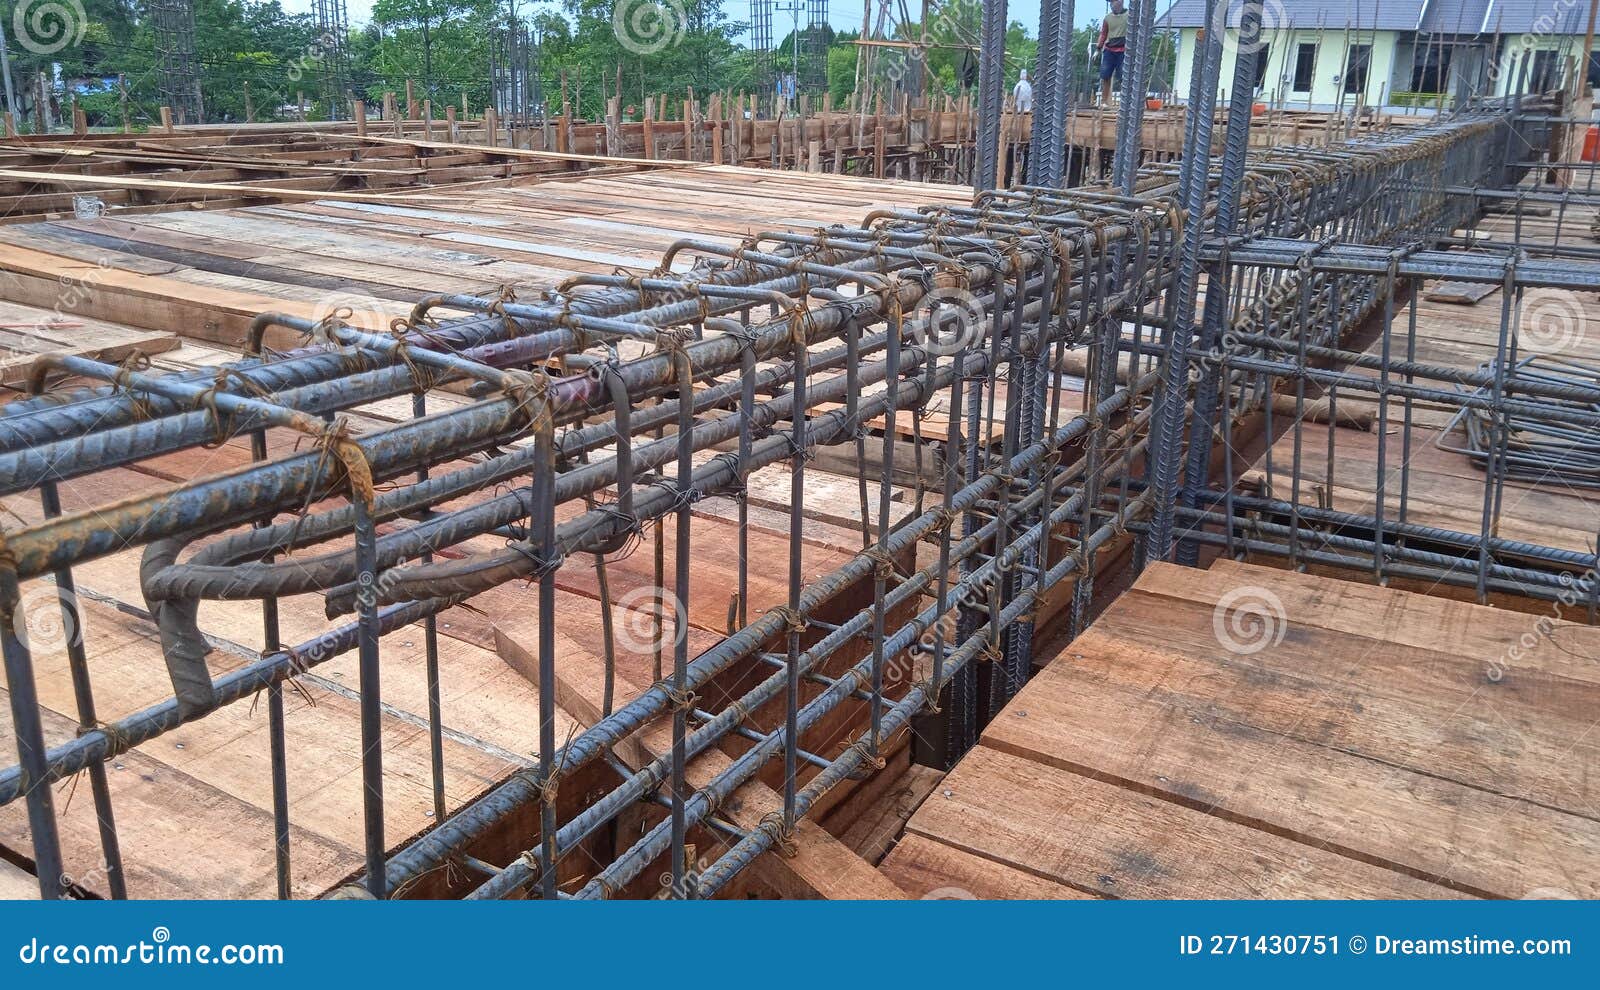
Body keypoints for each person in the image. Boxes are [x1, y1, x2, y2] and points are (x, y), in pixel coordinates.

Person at [1099, 0, 1129, 107]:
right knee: (1105, 75)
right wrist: (1099, 47)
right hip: (1109, 50)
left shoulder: (1129, 16)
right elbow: (1103, 33)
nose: (1112, 4)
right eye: (1111, 2)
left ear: (1121, 2)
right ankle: (1103, 101)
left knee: (1123, 77)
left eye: (1114, 1)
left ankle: (1124, 103)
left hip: (1123, 50)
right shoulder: (1107, 18)